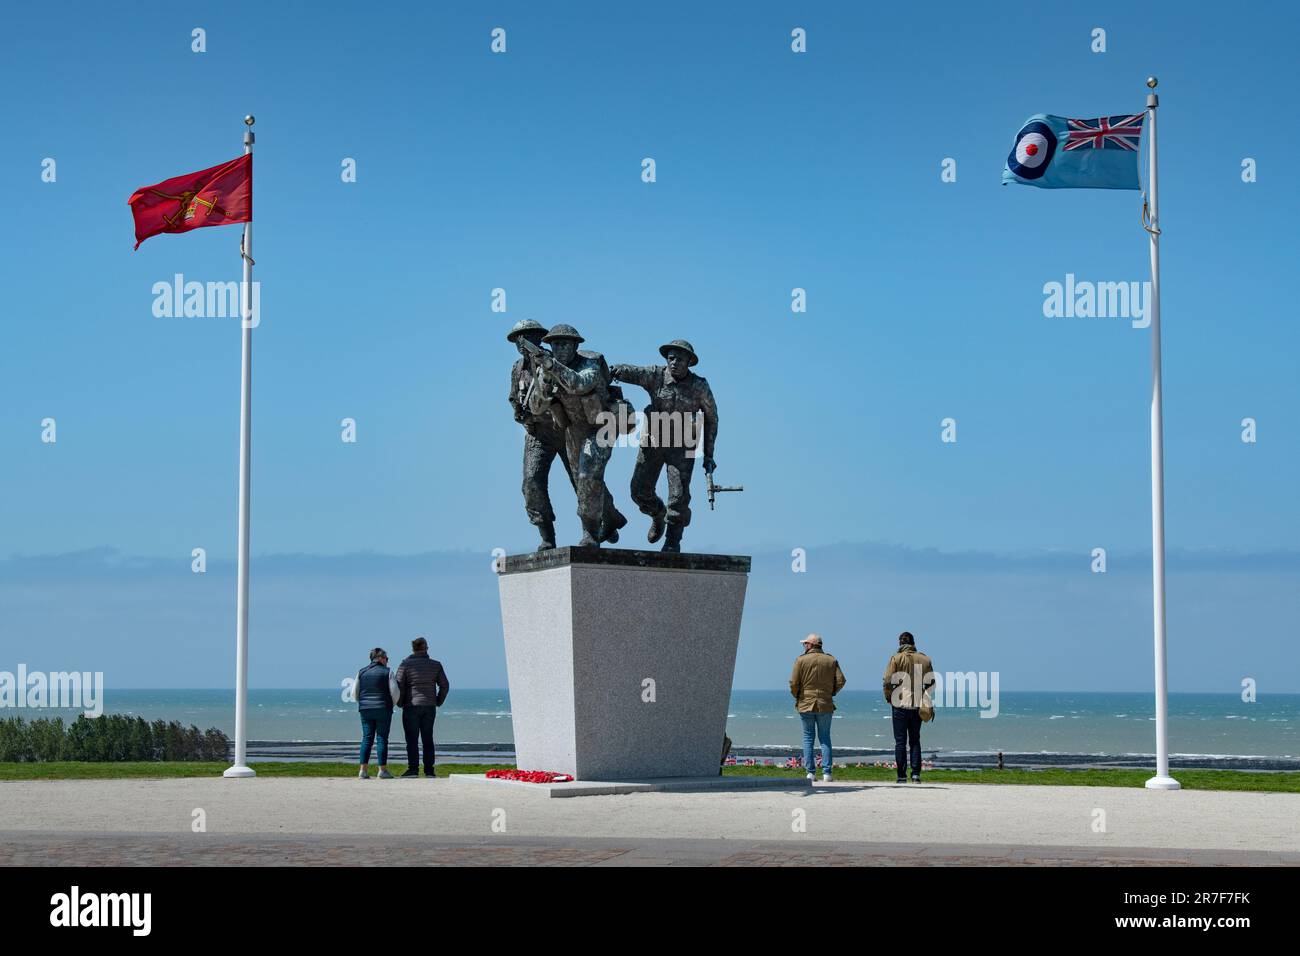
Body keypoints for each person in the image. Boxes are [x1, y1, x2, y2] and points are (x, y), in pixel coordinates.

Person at [612, 340, 719, 553]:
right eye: (671, 358)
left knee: (678, 497)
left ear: (689, 362)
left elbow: (712, 418)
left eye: (680, 359)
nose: (674, 363)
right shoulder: (655, 375)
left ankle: (673, 541)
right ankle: (657, 514)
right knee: (639, 491)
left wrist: (709, 454)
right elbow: (632, 372)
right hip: (653, 441)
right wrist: (612, 370)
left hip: (682, 445)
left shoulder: (700, 386)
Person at [530, 323, 628, 547]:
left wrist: (552, 367)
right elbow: (535, 408)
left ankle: (590, 533)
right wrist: (544, 383)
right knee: (583, 481)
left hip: (601, 427)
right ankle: (611, 516)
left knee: (586, 477)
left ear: (575, 345)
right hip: (574, 431)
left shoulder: (590, 363)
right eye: (555, 344)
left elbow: (580, 384)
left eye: (565, 343)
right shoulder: (546, 370)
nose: (560, 348)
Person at [507, 319, 577, 551]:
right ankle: (546, 534)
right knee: (531, 482)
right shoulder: (517, 368)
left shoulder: (553, 361)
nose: (522, 343)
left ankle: (604, 521)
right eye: (518, 339)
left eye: (527, 337)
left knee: (583, 483)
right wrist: (520, 414)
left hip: (566, 430)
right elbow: (513, 397)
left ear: (539, 338)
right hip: (538, 435)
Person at [789, 633, 846, 783]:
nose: (804, 646)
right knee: (825, 738)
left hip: (805, 703)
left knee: (808, 738)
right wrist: (831, 692)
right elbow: (841, 680)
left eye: (805, 644)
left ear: (810, 645)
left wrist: (798, 696)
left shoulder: (801, 660)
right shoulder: (831, 660)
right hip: (825, 703)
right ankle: (827, 773)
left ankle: (810, 773)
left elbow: (794, 683)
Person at [882, 631, 935, 783]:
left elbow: (887, 680)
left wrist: (888, 696)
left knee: (900, 741)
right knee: (915, 740)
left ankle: (901, 775)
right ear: (913, 643)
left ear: (900, 643)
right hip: (918, 704)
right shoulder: (925, 659)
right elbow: (931, 682)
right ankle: (916, 774)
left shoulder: (896, 658)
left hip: (899, 703)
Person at [394, 637, 450, 778]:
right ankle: (429, 770)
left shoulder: (405, 664)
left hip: (411, 706)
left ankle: (413, 769)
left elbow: (398, 685)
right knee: (427, 739)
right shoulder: (435, 665)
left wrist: (400, 703)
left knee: (411, 739)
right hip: (429, 706)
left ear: (413, 649)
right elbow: (445, 685)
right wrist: (438, 700)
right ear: (426, 648)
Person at [356, 647, 397, 779]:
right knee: (382, 739)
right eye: (386, 659)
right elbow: (395, 692)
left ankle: (363, 770)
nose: (387, 661)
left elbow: (355, 692)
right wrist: (391, 704)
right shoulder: (388, 672)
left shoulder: (361, 672)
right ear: (380, 658)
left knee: (367, 738)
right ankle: (382, 770)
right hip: (383, 708)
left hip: (365, 709)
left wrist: (362, 702)